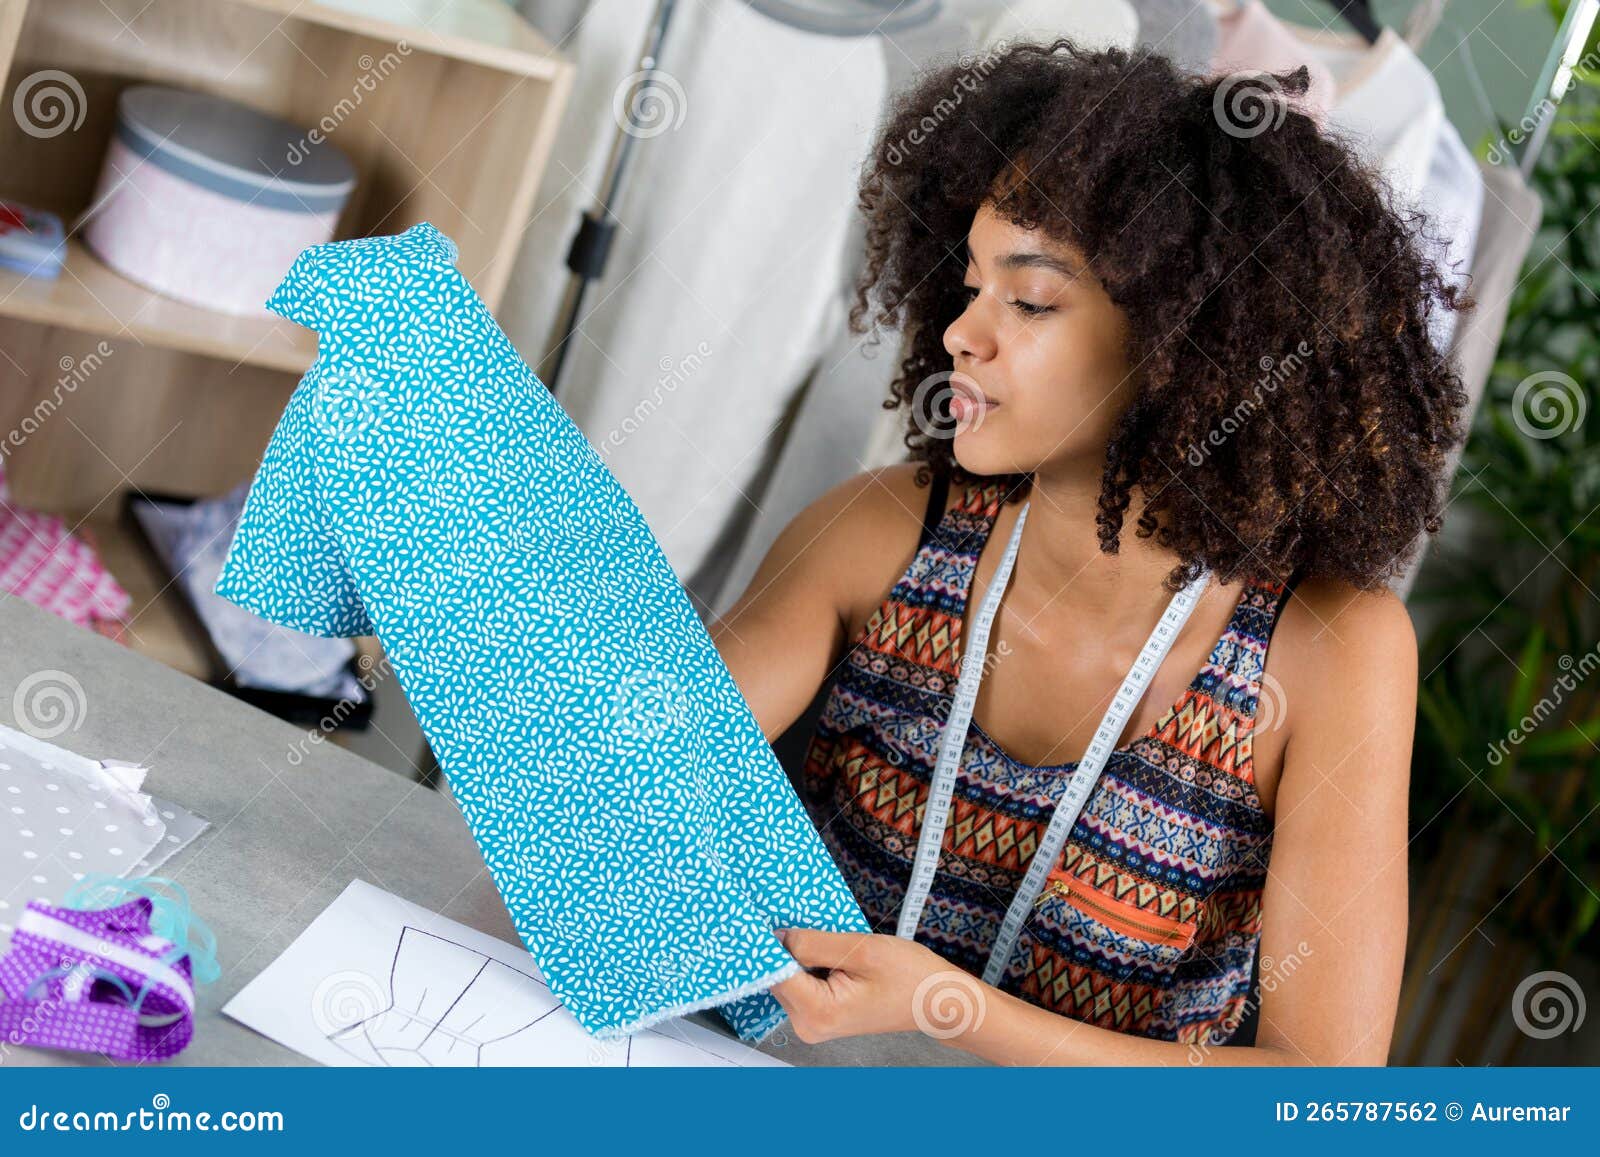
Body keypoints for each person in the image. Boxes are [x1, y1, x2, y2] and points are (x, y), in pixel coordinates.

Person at [710, 42, 1468, 1065]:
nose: (959, 334)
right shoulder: (884, 530)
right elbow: (641, 757)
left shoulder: (1331, 649)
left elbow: (1317, 1088)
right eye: (968, 284)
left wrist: (958, 1009)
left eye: (1026, 300)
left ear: (1185, 344)